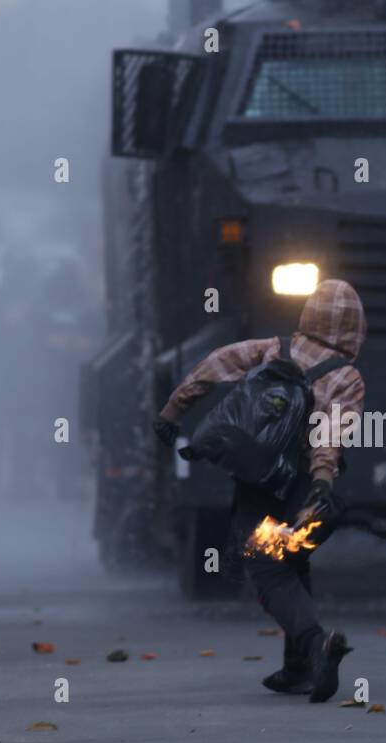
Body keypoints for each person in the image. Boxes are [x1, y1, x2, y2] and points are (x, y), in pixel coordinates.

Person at [153, 279, 366, 702]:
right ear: (357, 331)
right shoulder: (346, 377)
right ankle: (299, 668)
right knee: (291, 563)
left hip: (259, 479)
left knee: (269, 570)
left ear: (308, 315)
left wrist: (175, 410)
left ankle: (315, 645)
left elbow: (216, 362)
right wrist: (322, 482)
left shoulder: (275, 349)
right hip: (304, 486)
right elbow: (331, 432)